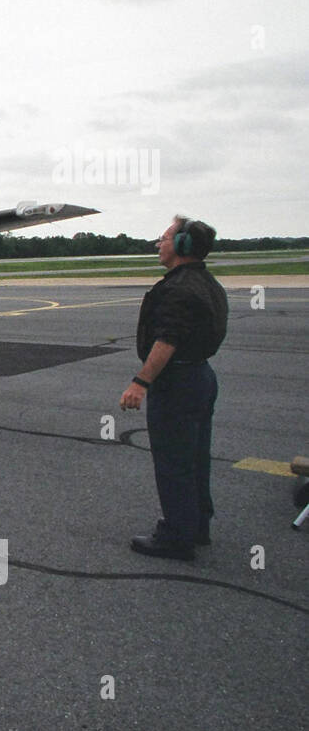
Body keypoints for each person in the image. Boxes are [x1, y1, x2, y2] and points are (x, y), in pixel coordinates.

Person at [118, 216, 228, 561]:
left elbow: (168, 340)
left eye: (164, 238)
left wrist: (140, 382)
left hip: (178, 382)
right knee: (195, 457)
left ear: (181, 246)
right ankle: (197, 526)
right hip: (200, 376)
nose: (158, 244)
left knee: (173, 461)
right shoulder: (206, 282)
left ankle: (177, 538)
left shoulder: (178, 288)